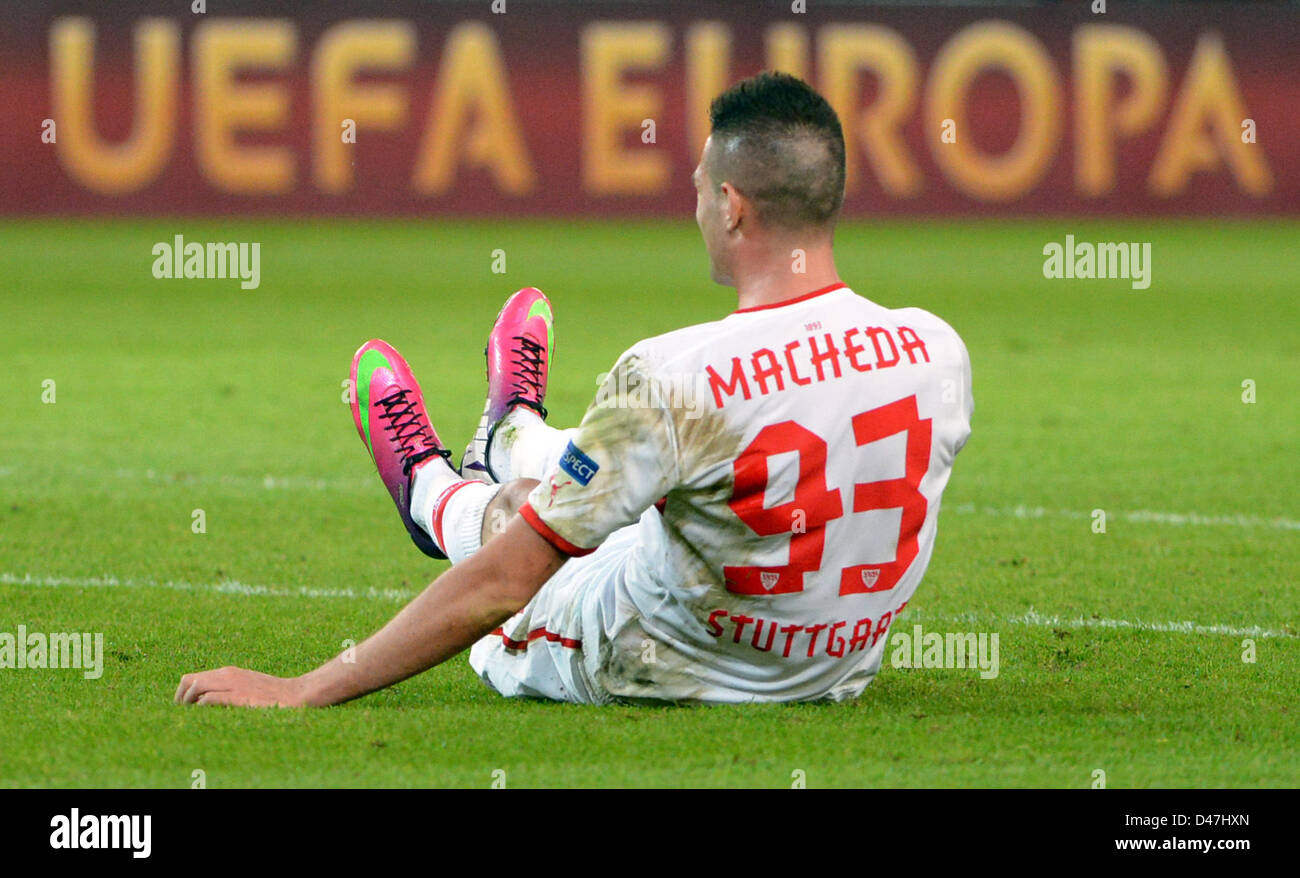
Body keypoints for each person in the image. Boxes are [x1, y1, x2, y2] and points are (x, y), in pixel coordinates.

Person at [175, 71, 973, 708]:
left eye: (700, 185)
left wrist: (303, 688)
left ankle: (430, 489)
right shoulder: (938, 349)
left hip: (655, 659)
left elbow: (505, 583)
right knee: (619, 477)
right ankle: (514, 424)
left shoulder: (673, 373)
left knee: (518, 510)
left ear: (731, 207)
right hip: (831, 671)